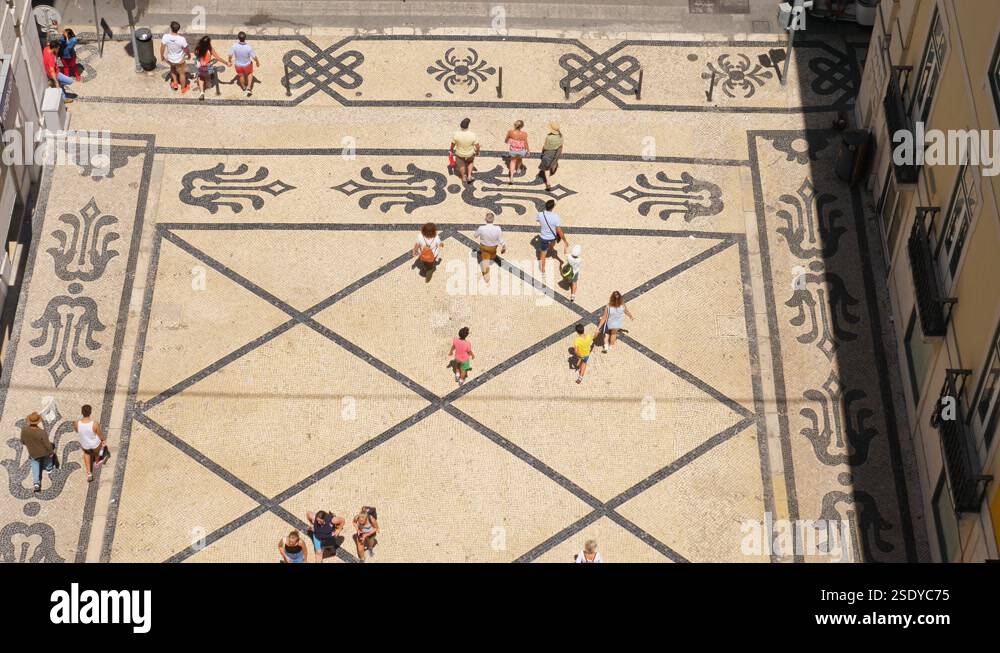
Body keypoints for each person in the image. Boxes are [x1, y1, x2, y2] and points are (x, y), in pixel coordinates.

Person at [20, 412, 54, 493]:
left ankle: (36, 483)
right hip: (43, 452)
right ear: (38, 422)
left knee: (35, 465)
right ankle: (49, 469)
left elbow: (22, 441)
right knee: (48, 459)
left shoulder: (24, 430)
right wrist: (51, 452)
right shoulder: (41, 432)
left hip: (33, 453)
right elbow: (47, 445)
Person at [75, 404, 107, 483]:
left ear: (82, 413)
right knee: (96, 453)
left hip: (85, 444)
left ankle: (89, 473)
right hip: (95, 444)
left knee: (86, 454)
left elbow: (76, 430)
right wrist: (103, 440)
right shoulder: (94, 424)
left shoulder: (76, 423)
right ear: (90, 412)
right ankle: (97, 463)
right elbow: (99, 434)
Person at [536, 198, 568, 274]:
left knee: (543, 254)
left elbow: (538, 221)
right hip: (552, 237)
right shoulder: (556, 217)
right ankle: (550, 247)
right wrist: (564, 240)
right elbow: (559, 230)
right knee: (553, 243)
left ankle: (542, 269)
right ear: (552, 207)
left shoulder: (540, 214)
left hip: (543, 237)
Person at [473, 212, 505, 281]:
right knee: (493, 254)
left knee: (485, 262)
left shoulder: (481, 228)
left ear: (485, 219)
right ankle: (493, 258)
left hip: (484, 248)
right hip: (493, 248)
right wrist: (503, 246)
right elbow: (500, 239)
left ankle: (486, 276)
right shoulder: (498, 228)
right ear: (493, 219)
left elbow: (475, 236)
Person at [160, 21, 191, 93]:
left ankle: (175, 83)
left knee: (173, 69)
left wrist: (162, 56)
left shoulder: (165, 37)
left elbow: (162, 47)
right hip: (180, 60)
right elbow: (186, 49)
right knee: (182, 73)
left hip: (170, 59)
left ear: (171, 28)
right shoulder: (181, 39)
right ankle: (183, 88)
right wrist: (189, 55)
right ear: (178, 29)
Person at [228, 31, 260, 97]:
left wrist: (229, 61)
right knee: (250, 74)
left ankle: (243, 87)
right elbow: (254, 57)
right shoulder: (248, 47)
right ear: (245, 38)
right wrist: (257, 62)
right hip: (247, 64)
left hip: (238, 65)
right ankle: (248, 87)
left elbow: (230, 55)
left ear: (238, 38)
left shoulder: (234, 46)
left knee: (241, 76)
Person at [193, 36, 224, 101]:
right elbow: (218, 58)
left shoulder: (197, 48)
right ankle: (208, 86)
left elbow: (196, 55)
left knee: (201, 78)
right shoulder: (210, 49)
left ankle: (202, 92)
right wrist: (226, 62)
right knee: (208, 77)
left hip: (201, 67)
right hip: (208, 67)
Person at [450, 118, 479, 184]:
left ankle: (463, 177)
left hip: (459, 154)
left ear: (460, 125)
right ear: (468, 126)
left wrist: (451, 150)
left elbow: (452, 144)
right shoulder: (472, 135)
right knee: (470, 162)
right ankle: (469, 176)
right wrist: (477, 152)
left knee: (461, 165)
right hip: (470, 153)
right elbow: (477, 145)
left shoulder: (456, 134)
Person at [540, 122, 563, 191]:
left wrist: (542, 152)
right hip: (557, 152)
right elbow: (561, 146)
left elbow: (545, 147)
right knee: (554, 162)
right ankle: (553, 169)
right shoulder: (561, 136)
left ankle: (548, 183)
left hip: (548, 153)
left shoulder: (549, 137)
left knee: (546, 169)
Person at [505, 120, 529, 184]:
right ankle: (518, 169)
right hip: (521, 151)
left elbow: (506, 140)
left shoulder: (510, 132)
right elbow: (526, 143)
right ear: (522, 126)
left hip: (513, 150)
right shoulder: (524, 134)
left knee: (512, 162)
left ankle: (511, 177)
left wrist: (510, 141)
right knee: (520, 159)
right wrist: (528, 151)